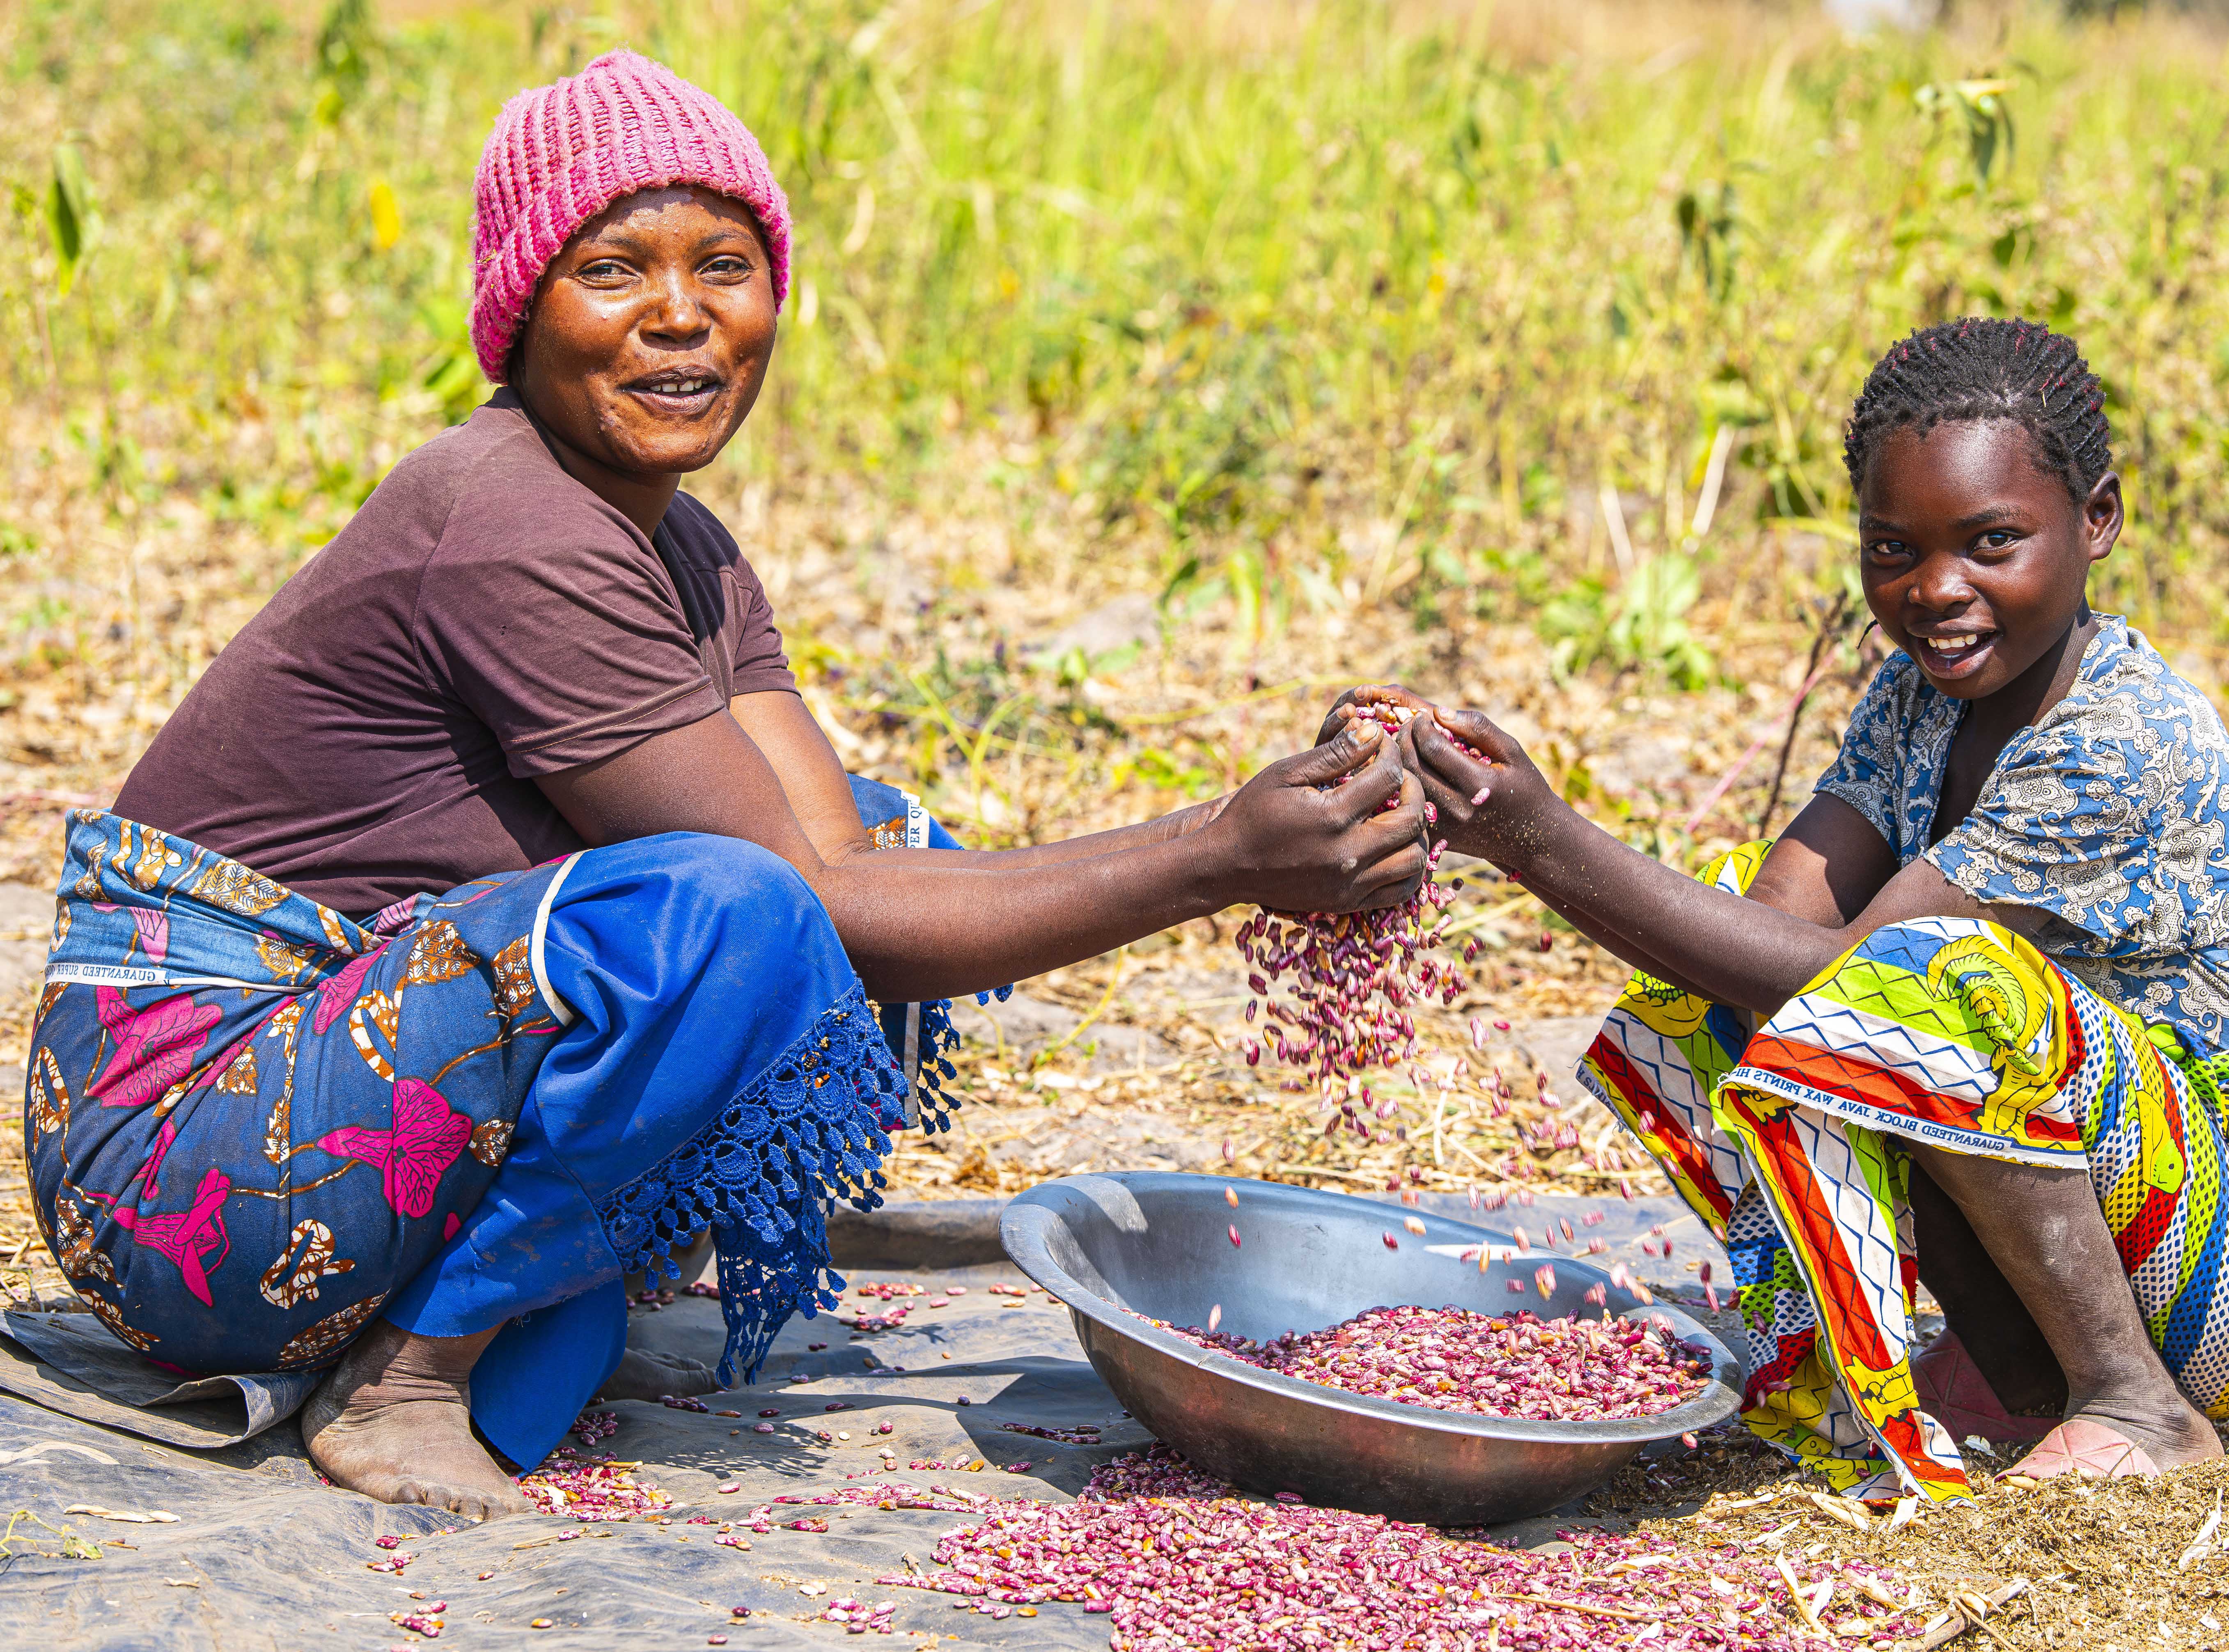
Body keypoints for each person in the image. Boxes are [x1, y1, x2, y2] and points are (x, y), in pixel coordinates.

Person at [25, 50, 1428, 1521]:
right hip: (183, 1181)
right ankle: (413, 1375)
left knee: (877, 849)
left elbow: (851, 867)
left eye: (728, 265)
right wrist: (1218, 854)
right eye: (613, 269)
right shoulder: (510, 520)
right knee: (730, 918)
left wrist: (1246, 831)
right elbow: (785, 907)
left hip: (337, 1120)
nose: (681, 315)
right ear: (521, 315)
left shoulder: (686, 552)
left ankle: (574, 1273)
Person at [1337, 318, 2229, 1499]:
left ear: (2098, 522)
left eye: (1993, 542)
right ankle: (1999, 1371)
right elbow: (1779, 920)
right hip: (2117, 1209)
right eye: (1894, 550)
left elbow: (1858, 977)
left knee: (1935, 977)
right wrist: (1488, 811)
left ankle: (2140, 1403)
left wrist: (1539, 837)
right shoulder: (1916, 695)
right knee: (1716, 961)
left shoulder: (2125, 738)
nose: (1937, 591)